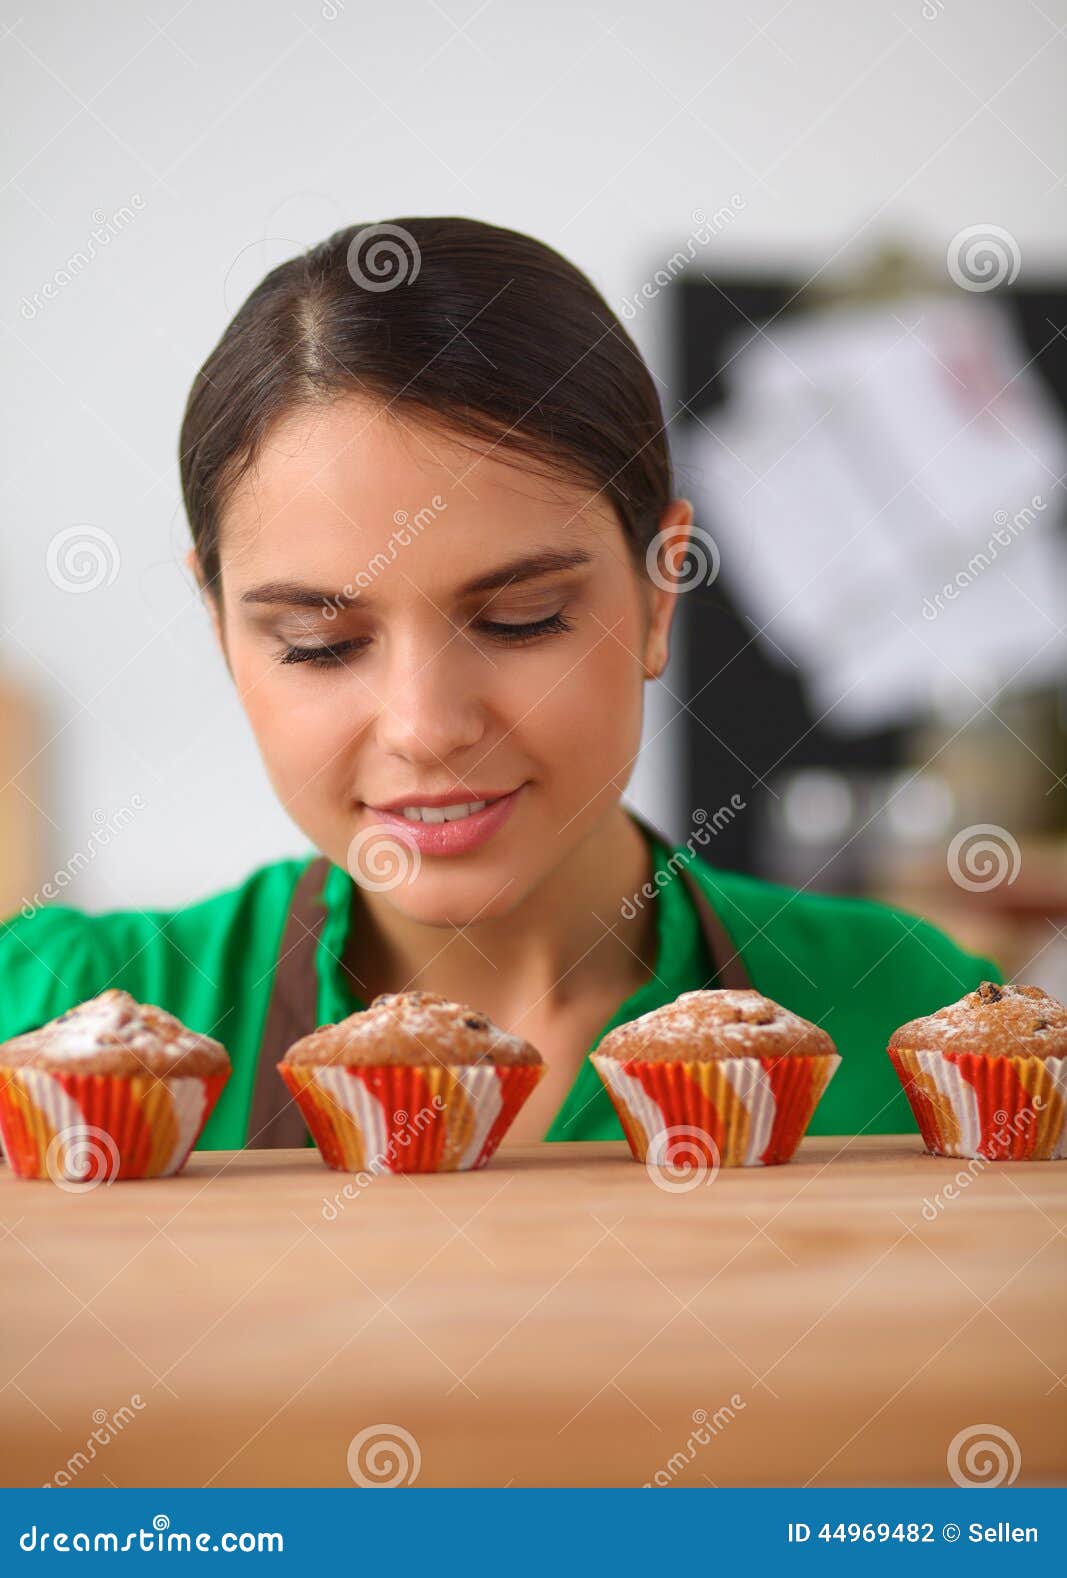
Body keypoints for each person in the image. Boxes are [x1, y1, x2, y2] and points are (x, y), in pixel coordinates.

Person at [0, 217, 997, 1151]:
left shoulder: (920, 1017)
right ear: (221, 632)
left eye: (520, 619)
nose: (426, 727)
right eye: (316, 641)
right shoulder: (48, 1003)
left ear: (659, 595)